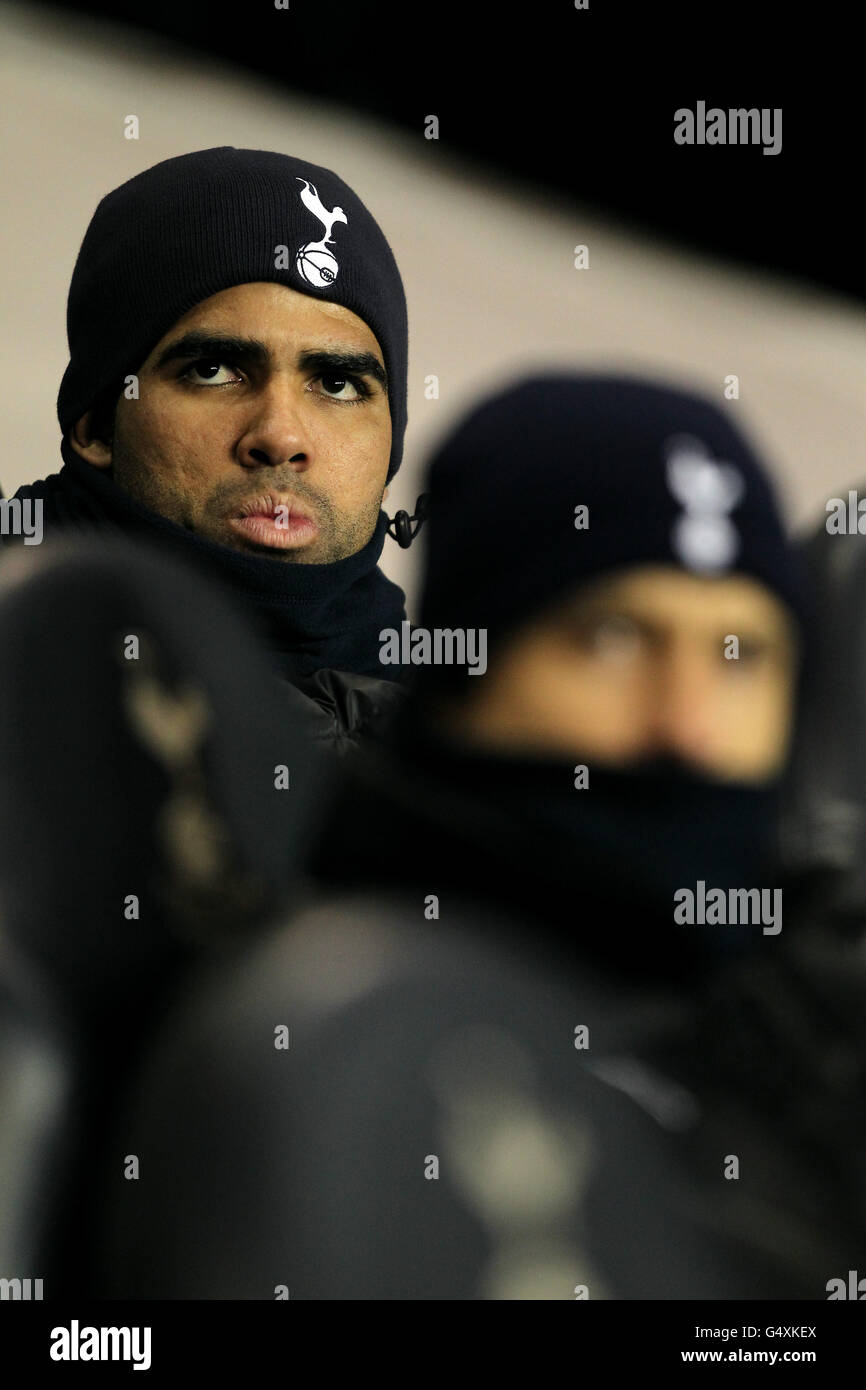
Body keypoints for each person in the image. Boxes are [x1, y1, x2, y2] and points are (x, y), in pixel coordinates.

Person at [90, 376, 866, 1299]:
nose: (688, 725)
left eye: (743, 656)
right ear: (468, 668)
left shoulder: (818, 1010)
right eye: (613, 638)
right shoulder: (283, 1001)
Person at [0, 146, 420, 750]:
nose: (280, 437)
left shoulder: (458, 764)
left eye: (336, 384)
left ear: (388, 461)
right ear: (95, 424)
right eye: (215, 370)